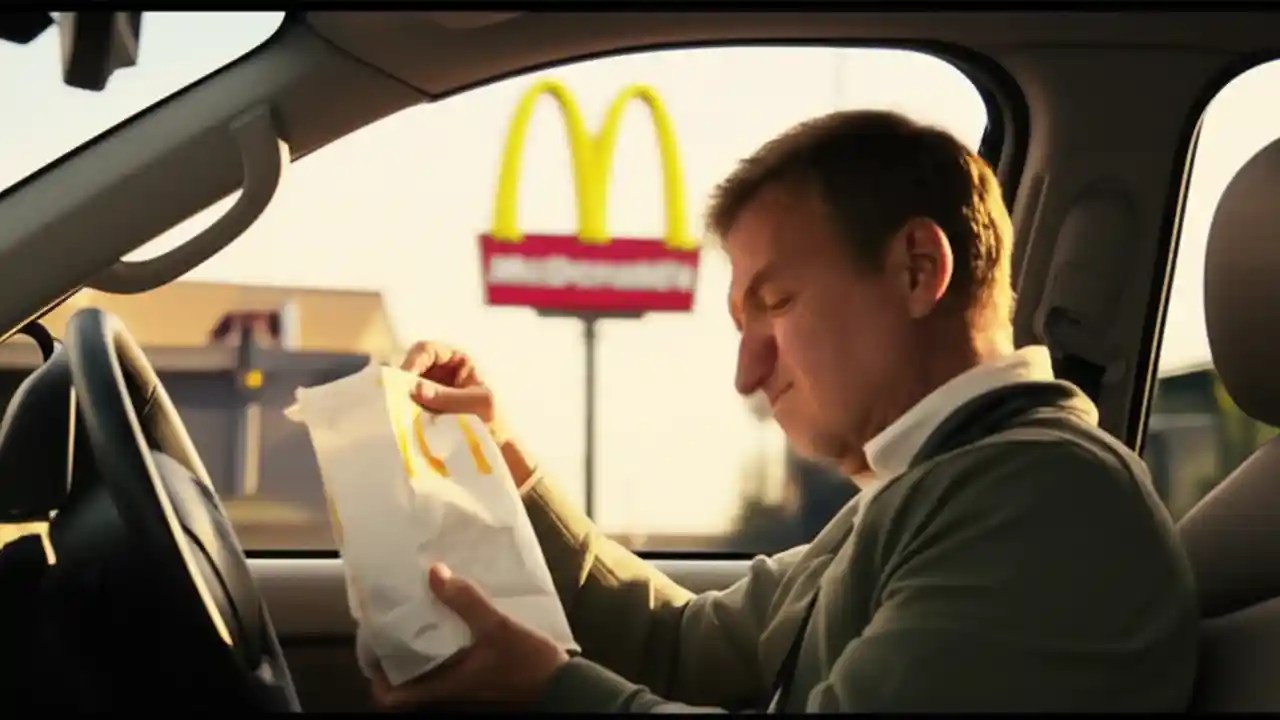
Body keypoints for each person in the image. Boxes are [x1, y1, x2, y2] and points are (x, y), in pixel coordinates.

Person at [369, 110, 1200, 712]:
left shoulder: (1040, 498)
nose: (747, 372)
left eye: (776, 302)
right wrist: (508, 467)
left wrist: (548, 692)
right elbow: (680, 647)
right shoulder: (929, 486)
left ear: (917, 269)